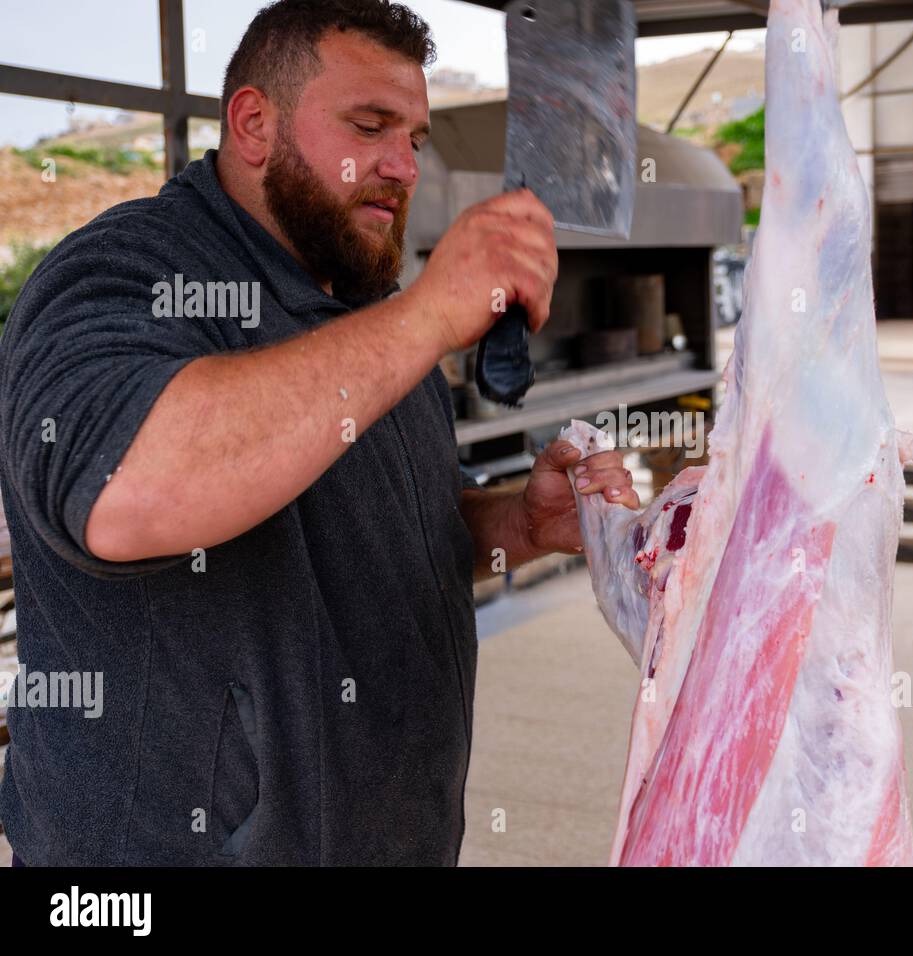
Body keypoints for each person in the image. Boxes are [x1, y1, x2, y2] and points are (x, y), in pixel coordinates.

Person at [0, 0, 637, 865]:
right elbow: (130, 493)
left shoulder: (364, 304)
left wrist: (519, 527)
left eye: (413, 136)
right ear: (254, 124)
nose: (402, 165)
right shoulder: (120, 273)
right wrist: (428, 316)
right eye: (370, 126)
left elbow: (391, 533)